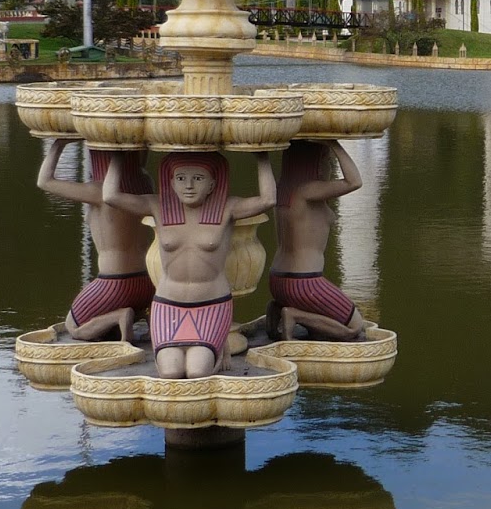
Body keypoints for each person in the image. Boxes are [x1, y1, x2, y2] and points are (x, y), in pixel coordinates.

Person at [105, 151, 274, 379]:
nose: (189, 186)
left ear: (213, 184)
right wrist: (118, 155)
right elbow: (111, 197)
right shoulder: (158, 205)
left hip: (211, 305)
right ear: (171, 182)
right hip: (168, 305)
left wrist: (262, 157)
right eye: (182, 178)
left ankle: (217, 345)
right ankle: (216, 349)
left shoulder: (227, 207)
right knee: (171, 372)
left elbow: (268, 200)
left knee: (197, 371)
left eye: (198, 178)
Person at [38, 139, 155, 343]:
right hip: (148, 284)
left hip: (115, 283)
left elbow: (44, 181)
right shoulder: (145, 184)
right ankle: (149, 321)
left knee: (73, 327)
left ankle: (120, 315)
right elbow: (140, 162)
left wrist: (58, 144)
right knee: (111, 324)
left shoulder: (98, 191)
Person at [266, 140, 366, 341]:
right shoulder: (308, 190)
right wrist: (335, 144)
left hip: (277, 280)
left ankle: (277, 309)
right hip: (305, 284)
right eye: (328, 159)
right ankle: (293, 315)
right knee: (355, 328)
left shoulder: (283, 187)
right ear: (317, 162)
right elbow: (354, 181)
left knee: (321, 328)